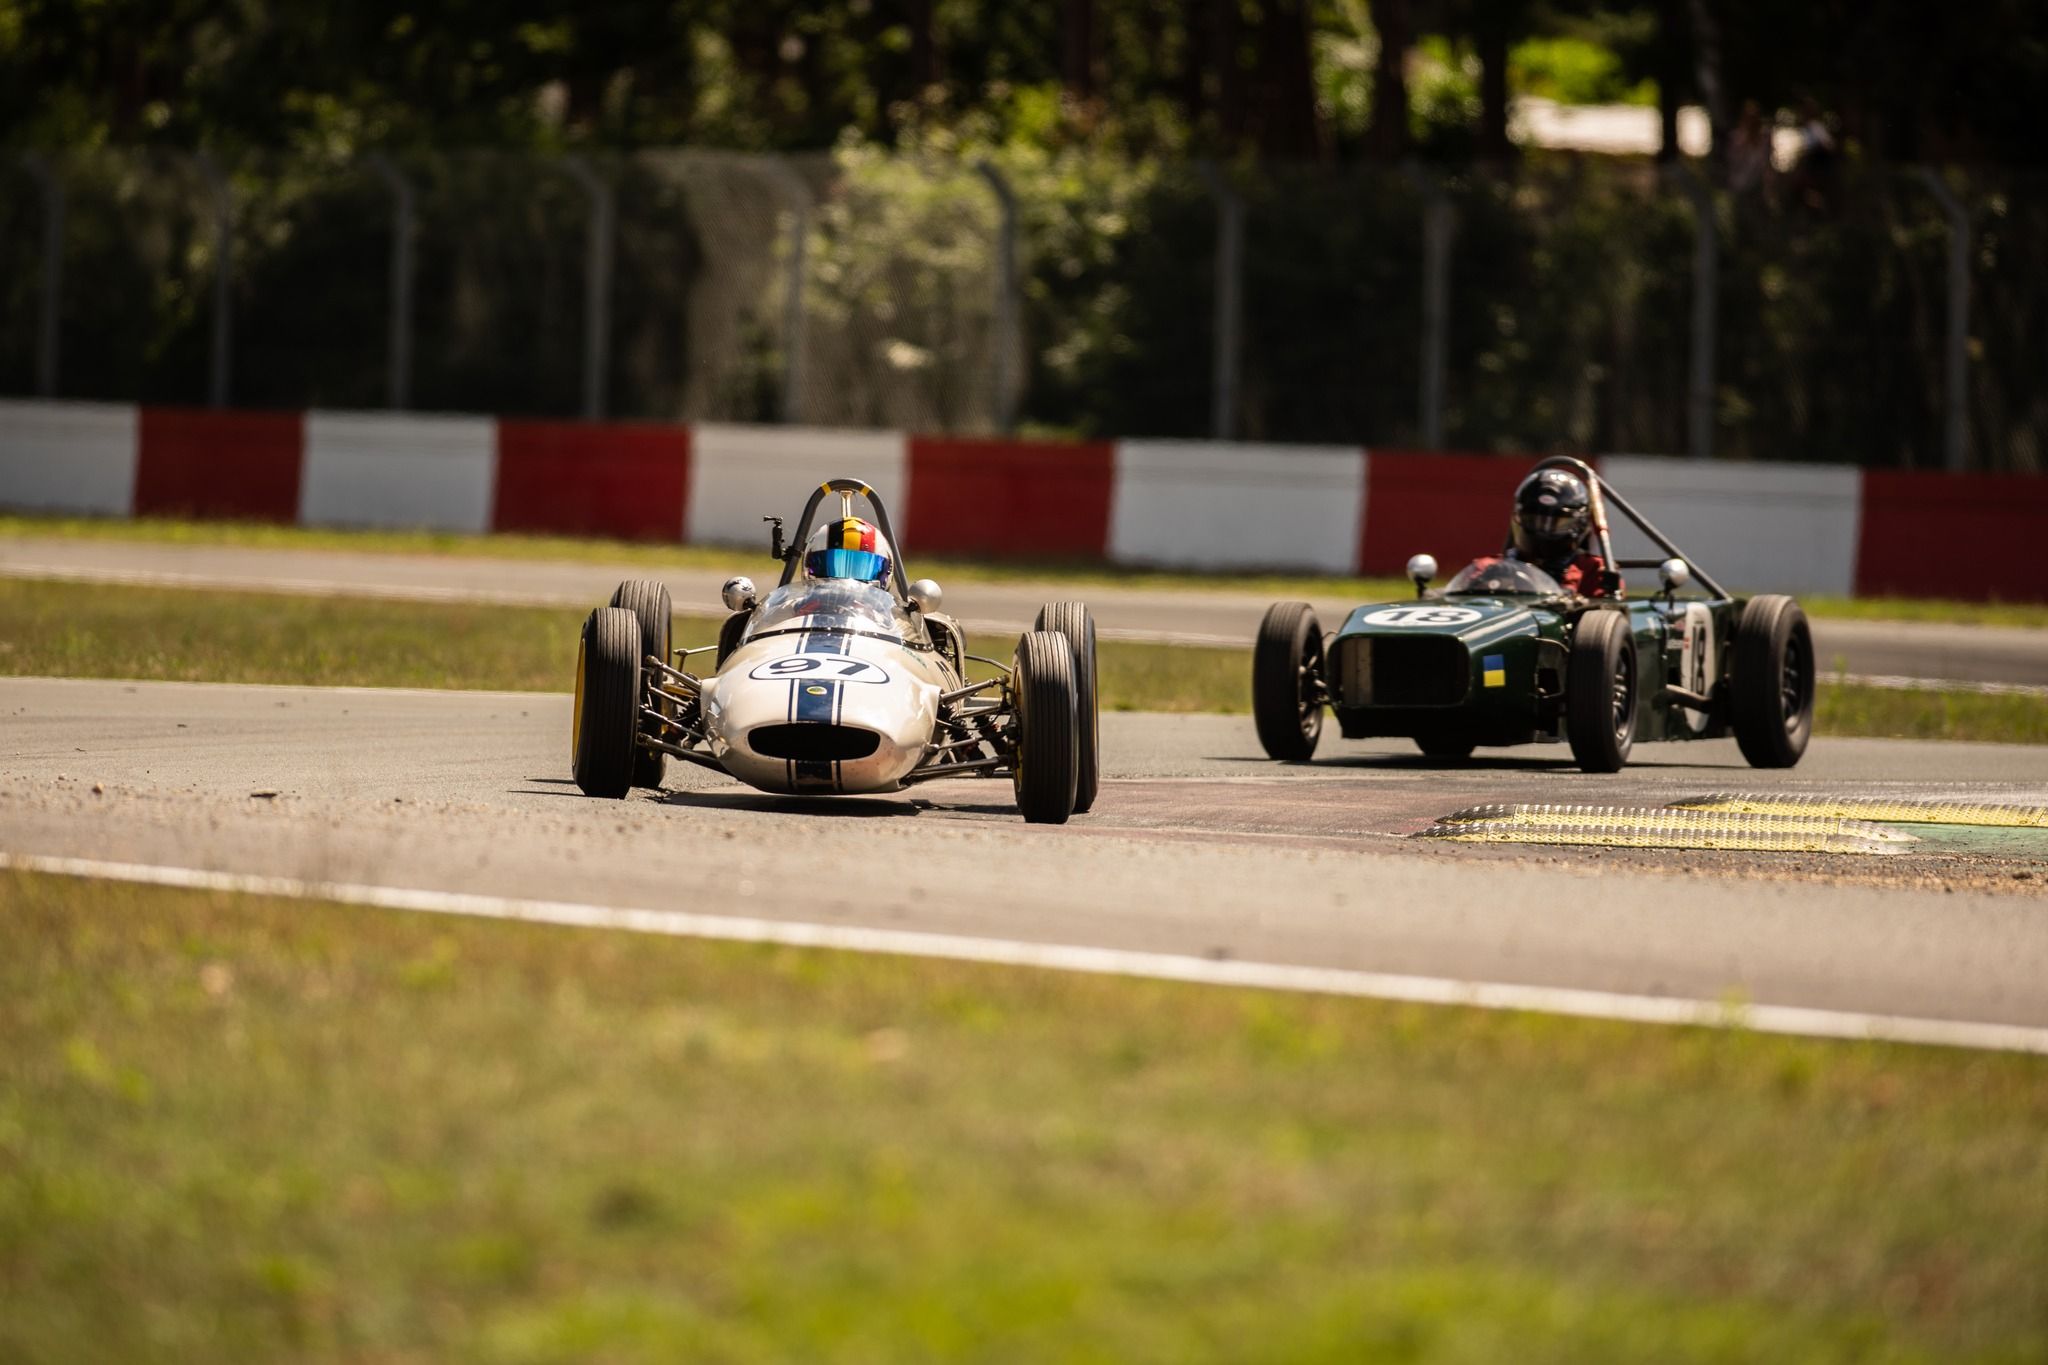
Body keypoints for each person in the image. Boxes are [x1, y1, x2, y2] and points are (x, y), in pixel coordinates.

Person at [1473, 467, 1612, 598]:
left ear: (1579, 525)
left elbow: (1603, 616)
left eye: (1557, 523)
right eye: (1534, 520)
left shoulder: (1593, 571)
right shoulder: (1488, 568)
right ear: (1518, 517)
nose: (1544, 531)